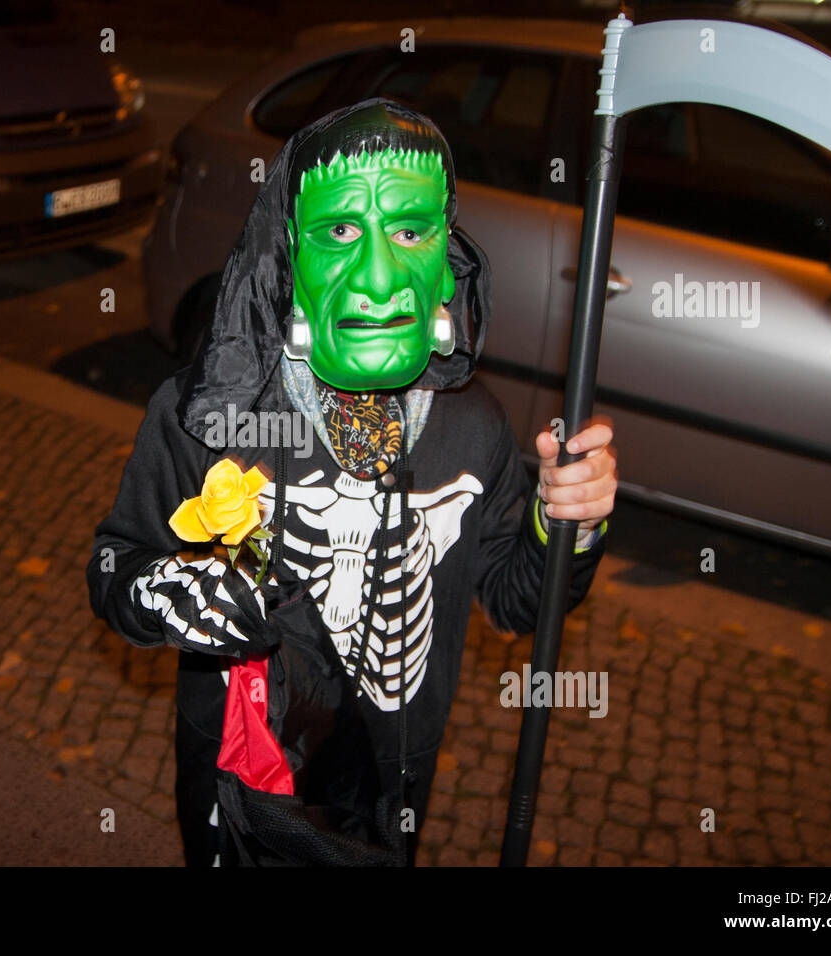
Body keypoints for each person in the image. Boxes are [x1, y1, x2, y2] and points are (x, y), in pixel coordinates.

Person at [88, 98, 617, 866]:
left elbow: (518, 601)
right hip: (237, 780)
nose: (378, 275)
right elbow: (115, 564)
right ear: (287, 256)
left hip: (390, 780)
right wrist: (160, 590)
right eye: (340, 231)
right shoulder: (210, 414)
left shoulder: (473, 426)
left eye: (409, 230)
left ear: (447, 258)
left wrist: (565, 519)